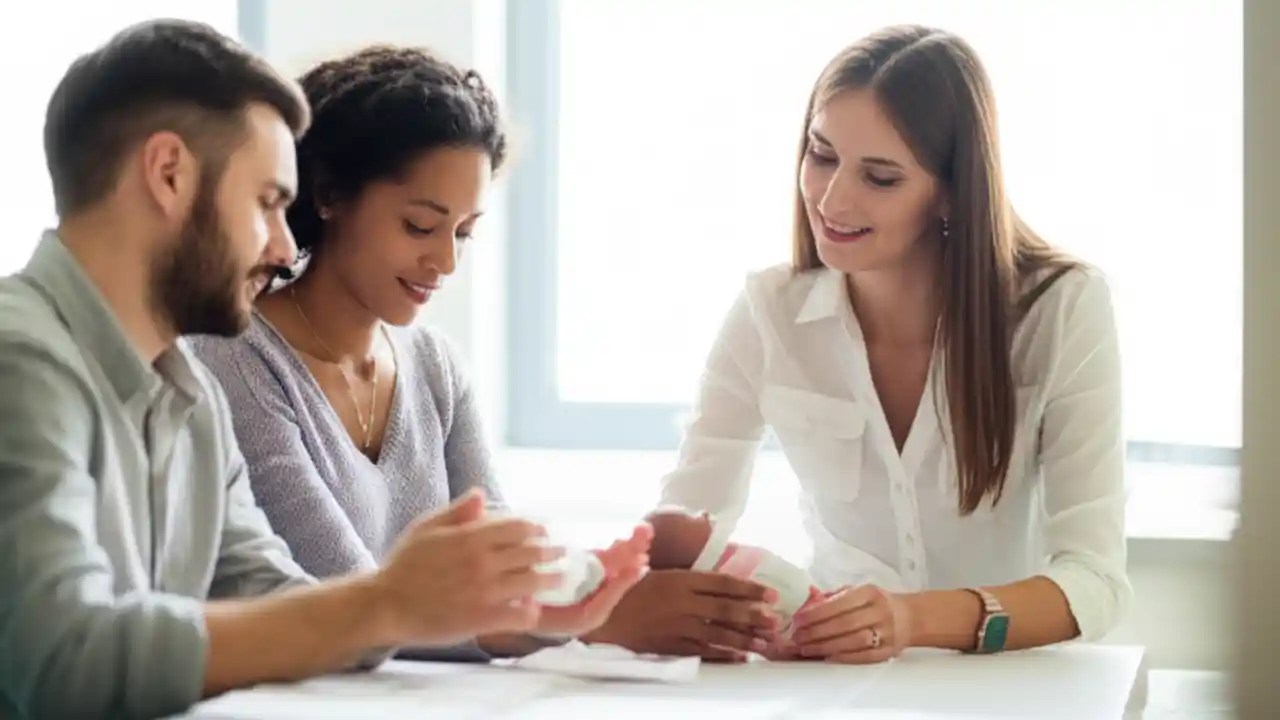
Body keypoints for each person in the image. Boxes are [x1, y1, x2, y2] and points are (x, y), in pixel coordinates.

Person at [0, 20, 645, 719]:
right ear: (169, 175)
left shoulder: (186, 393)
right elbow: (62, 657)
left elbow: (276, 598)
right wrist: (386, 600)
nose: (284, 245)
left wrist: (445, 605)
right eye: (269, 203)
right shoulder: (19, 359)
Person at [586, 24, 1130, 664]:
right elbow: (689, 513)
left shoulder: (1059, 309)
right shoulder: (769, 312)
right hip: (834, 681)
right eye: (821, 156)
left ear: (952, 191)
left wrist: (909, 619)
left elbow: (1095, 586)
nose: (832, 198)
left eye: (880, 177)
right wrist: (669, 582)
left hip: (1007, 685)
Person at [189, 45, 650, 661]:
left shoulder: (434, 365)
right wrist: (537, 616)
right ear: (329, 194)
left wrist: (570, 607)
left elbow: (497, 576)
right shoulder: (234, 362)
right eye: (420, 227)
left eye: (464, 232)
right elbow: (345, 599)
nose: (447, 262)